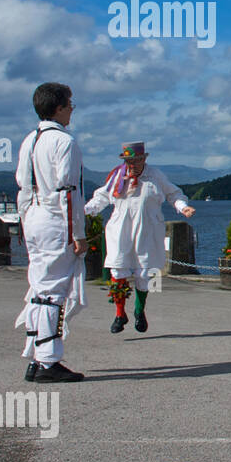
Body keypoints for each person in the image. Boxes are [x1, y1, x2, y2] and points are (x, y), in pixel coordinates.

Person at [14, 83, 86, 383]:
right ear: (58, 108)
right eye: (69, 103)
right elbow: (68, 191)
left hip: (34, 214)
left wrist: (24, 220)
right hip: (56, 219)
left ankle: (35, 355)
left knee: (39, 286)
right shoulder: (64, 142)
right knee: (53, 290)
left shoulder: (29, 140)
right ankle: (47, 361)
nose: (72, 108)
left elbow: (23, 186)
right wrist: (77, 232)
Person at [85, 142, 194, 333]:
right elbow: (101, 197)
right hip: (120, 231)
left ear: (144, 159)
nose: (132, 165)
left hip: (147, 232)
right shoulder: (117, 177)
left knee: (145, 274)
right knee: (118, 271)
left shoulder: (155, 177)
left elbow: (173, 193)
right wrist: (86, 210)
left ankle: (138, 310)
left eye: (135, 161)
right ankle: (119, 314)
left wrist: (182, 206)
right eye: (128, 161)